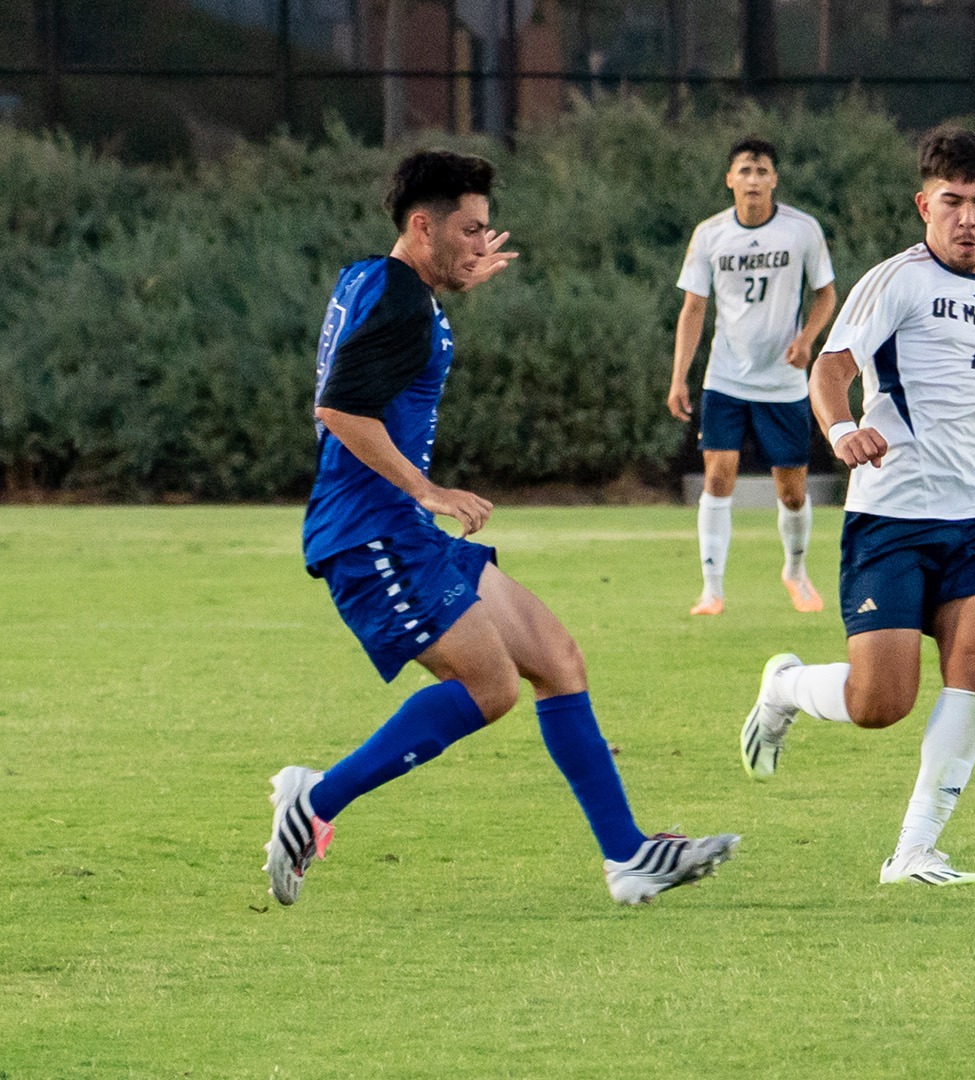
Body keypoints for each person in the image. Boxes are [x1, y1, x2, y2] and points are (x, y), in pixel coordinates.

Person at [265, 150, 738, 908]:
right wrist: (429, 489)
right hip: (371, 534)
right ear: (422, 226)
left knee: (555, 657)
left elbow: (376, 360)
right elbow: (339, 410)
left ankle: (630, 857)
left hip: (396, 530)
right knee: (489, 688)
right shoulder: (399, 303)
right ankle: (317, 802)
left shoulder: (375, 279)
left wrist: (447, 281)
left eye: (486, 229)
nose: (483, 244)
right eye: (469, 230)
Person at [737, 128, 975, 886]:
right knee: (881, 701)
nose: (967, 219)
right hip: (894, 517)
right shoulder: (898, 281)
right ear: (925, 204)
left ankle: (914, 849)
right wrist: (845, 430)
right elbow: (832, 370)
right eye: (952, 202)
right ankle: (784, 686)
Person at [669, 137, 838, 616]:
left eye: (762, 171)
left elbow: (826, 294)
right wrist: (679, 377)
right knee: (718, 478)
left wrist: (807, 339)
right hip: (725, 378)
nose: (754, 180)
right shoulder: (709, 235)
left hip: (783, 382)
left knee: (792, 489)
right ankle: (712, 589)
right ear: (730, 179)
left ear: (774, 180)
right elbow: (694, 307)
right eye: (745, 171)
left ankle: (796, 572)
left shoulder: (802, 230)